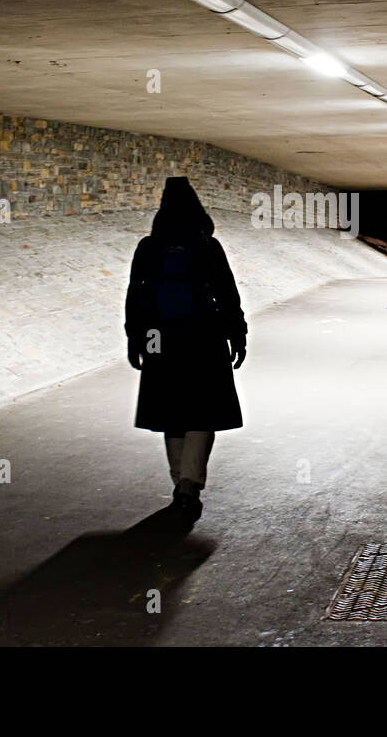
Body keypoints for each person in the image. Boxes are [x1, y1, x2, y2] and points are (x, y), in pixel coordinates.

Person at [124, 177, 247, 522]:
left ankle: (179, 481)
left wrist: (136, 339)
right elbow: (227, 294)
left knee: (170, 410)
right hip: (204, 337)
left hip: (159, 338)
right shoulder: (207, 245)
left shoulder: (148, 247)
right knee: (203, 411)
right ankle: (189, 485)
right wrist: (238, 334)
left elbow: (135, 296)